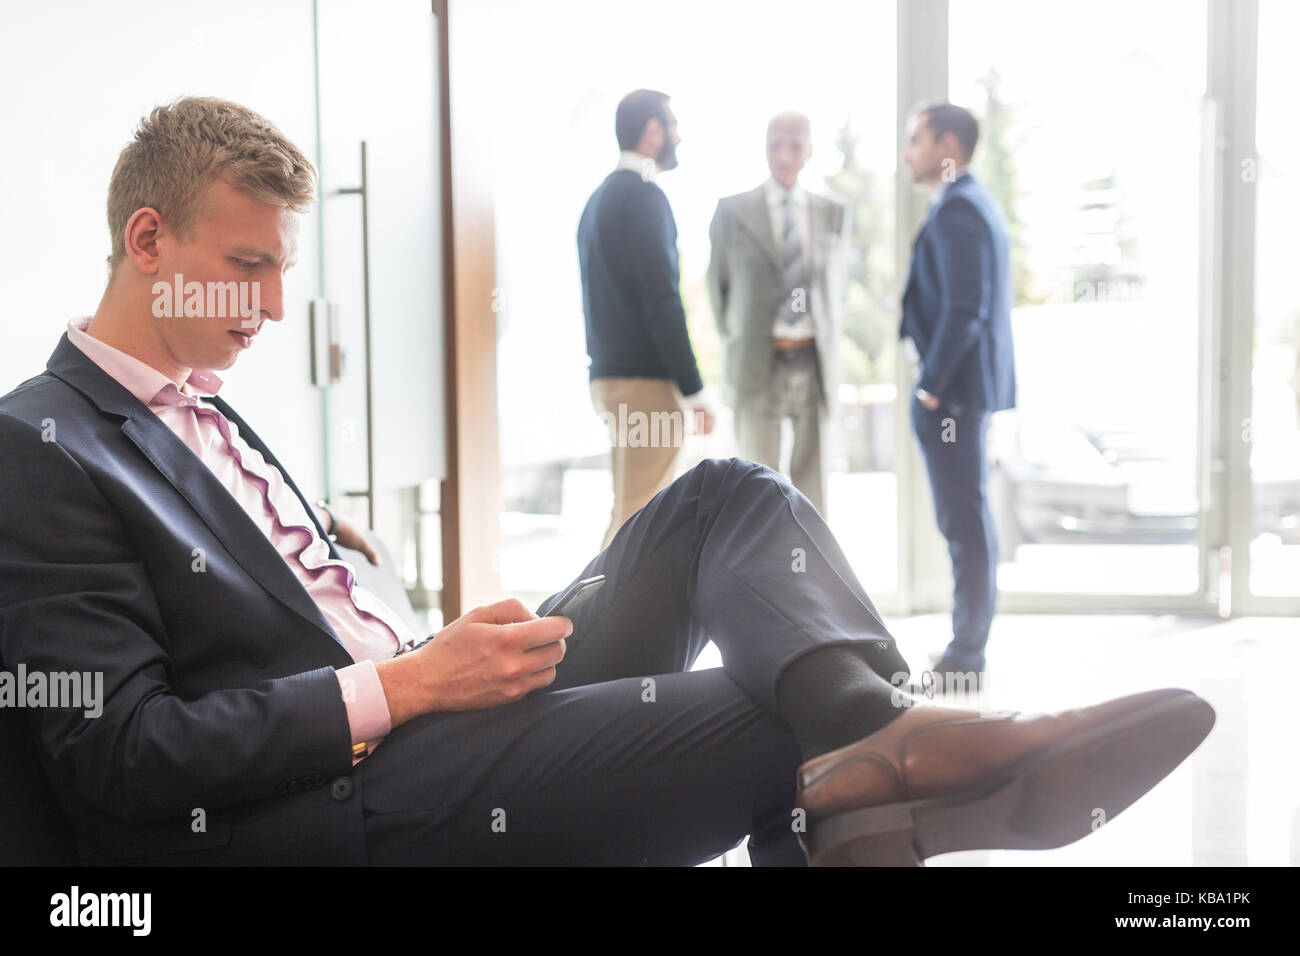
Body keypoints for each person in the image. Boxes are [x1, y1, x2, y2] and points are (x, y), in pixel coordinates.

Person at [0, 97, 1214, 867]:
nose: (273, 304)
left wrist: (417, 642)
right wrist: (403, 683)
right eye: (247, 265)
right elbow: (121, 757)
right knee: (756, 708)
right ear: (148, 240)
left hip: (423, 706)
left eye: (282, 269)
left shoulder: (206, 408)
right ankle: (882, 772)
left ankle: (870, 739)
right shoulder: (45, 442)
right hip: (334, 793)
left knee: (724, 496)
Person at [900, 102, 1017, 688]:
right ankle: (967, 644)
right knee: (966, 517)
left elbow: (965, 309)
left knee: (963, 520)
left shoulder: (960, 208)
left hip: (952, 398)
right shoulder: (970, 202)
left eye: (915, 140)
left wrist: (930, 388)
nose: (908, 153)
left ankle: (967, 653)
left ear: (948, 144)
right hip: (960, 396)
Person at [578, 89, 715, 550]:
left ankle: (594, 621)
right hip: (645, 388)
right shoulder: (645, 198)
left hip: (611, 378)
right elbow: (662, 301)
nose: (678, 136)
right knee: (637, 522)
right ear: (653, 131)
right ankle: (591, 622)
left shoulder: (596, 202)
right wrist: (694, 388)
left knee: (628, 512)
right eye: (672, 125)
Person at [707, 111, 849, 517]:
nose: (784, 156)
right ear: (764, 148)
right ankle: (761, 578)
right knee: (757, 486)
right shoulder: (733, 212)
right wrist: (739, 338)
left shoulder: (831, 213)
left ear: (809, 151)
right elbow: (719, 292)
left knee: (813, 488)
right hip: (758, 362)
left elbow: (834, 290)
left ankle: (807, 576)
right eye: (775, 145)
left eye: (795, 145)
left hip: (813, 362)